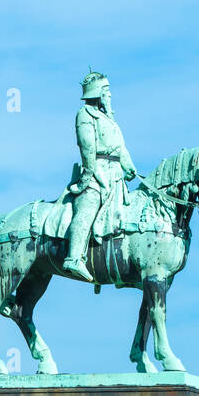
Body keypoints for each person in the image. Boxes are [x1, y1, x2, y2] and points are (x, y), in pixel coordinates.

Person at [61, 70, 138, 281]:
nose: (110, 94)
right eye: (107, 90)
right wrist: (88, 179)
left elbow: (120, 147)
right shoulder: (84, 114)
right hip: (96, 173)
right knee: (88, 207)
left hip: (116, 175)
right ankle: (74, 257)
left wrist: (128, 165)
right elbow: (87, 149)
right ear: (98, 92)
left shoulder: (107, 117)